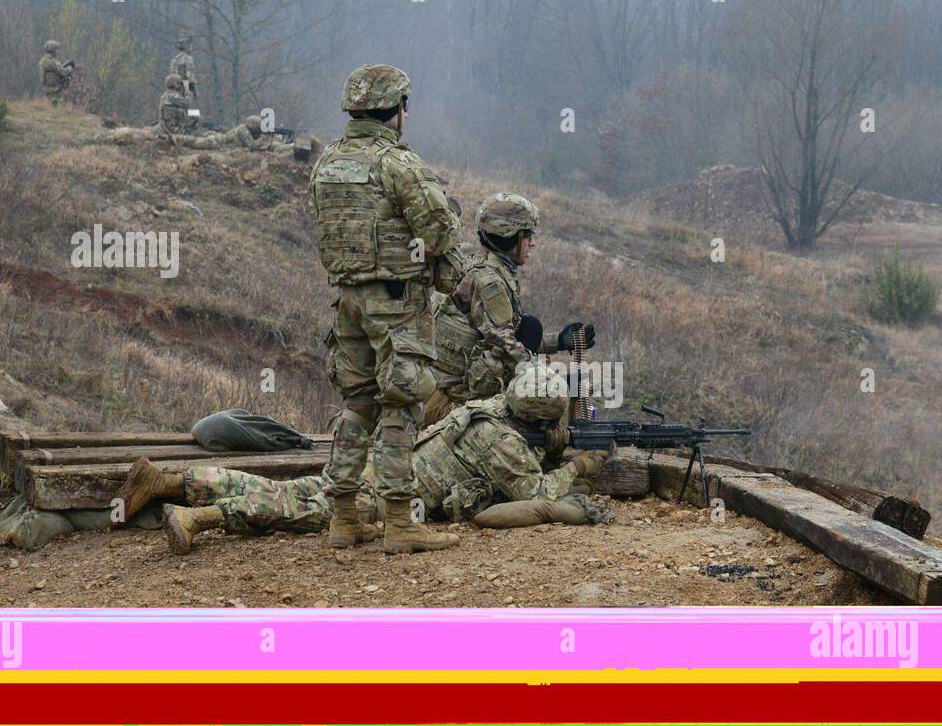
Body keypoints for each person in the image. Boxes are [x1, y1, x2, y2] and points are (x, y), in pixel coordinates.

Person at [112, 365, 612, 554]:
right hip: (391, 494)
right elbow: (536, 493)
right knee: (300, 507)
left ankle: (171, 482)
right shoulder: (503, 442)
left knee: (298, 491)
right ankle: (198, 516)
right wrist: (580, 467)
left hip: (382, 468)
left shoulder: (488, 411)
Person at [311, 63, 467, 553]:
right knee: (402, 403)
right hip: (397, 305)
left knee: (357, 404)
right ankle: (400, 522)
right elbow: (440, 231)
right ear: (397, 109)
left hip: (347, 302)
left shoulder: (328, 161)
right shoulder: (397, 164)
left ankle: (342, 517)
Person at [426, 191, 594, 426]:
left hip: (440, 392)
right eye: (527, 235)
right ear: (508, 236)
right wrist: (551, 385)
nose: (532, 242)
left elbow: (500, 333)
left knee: (530, 328)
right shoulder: (489, 282)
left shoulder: (480, 265)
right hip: (452, 406)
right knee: (540, 396)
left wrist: (559, 342)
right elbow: (506, 345)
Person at [182, 115, 274, 151]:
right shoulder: (243, 130)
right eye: (258, 128)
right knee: (190, 142)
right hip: (215, 142)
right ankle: (173, 138)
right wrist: (263, 138)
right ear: (253, 126)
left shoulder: (246, 129)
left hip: (219, 141)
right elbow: (252, 146)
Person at [38, 40, 74, 106]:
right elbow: (62, 72)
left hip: (47, 88)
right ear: (53, 50)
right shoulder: (53, 61)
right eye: (56, 49)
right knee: (57, 108)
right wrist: (70, 69)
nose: (57, 51)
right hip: (55, 89)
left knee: (50, 106)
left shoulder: (42, 60)